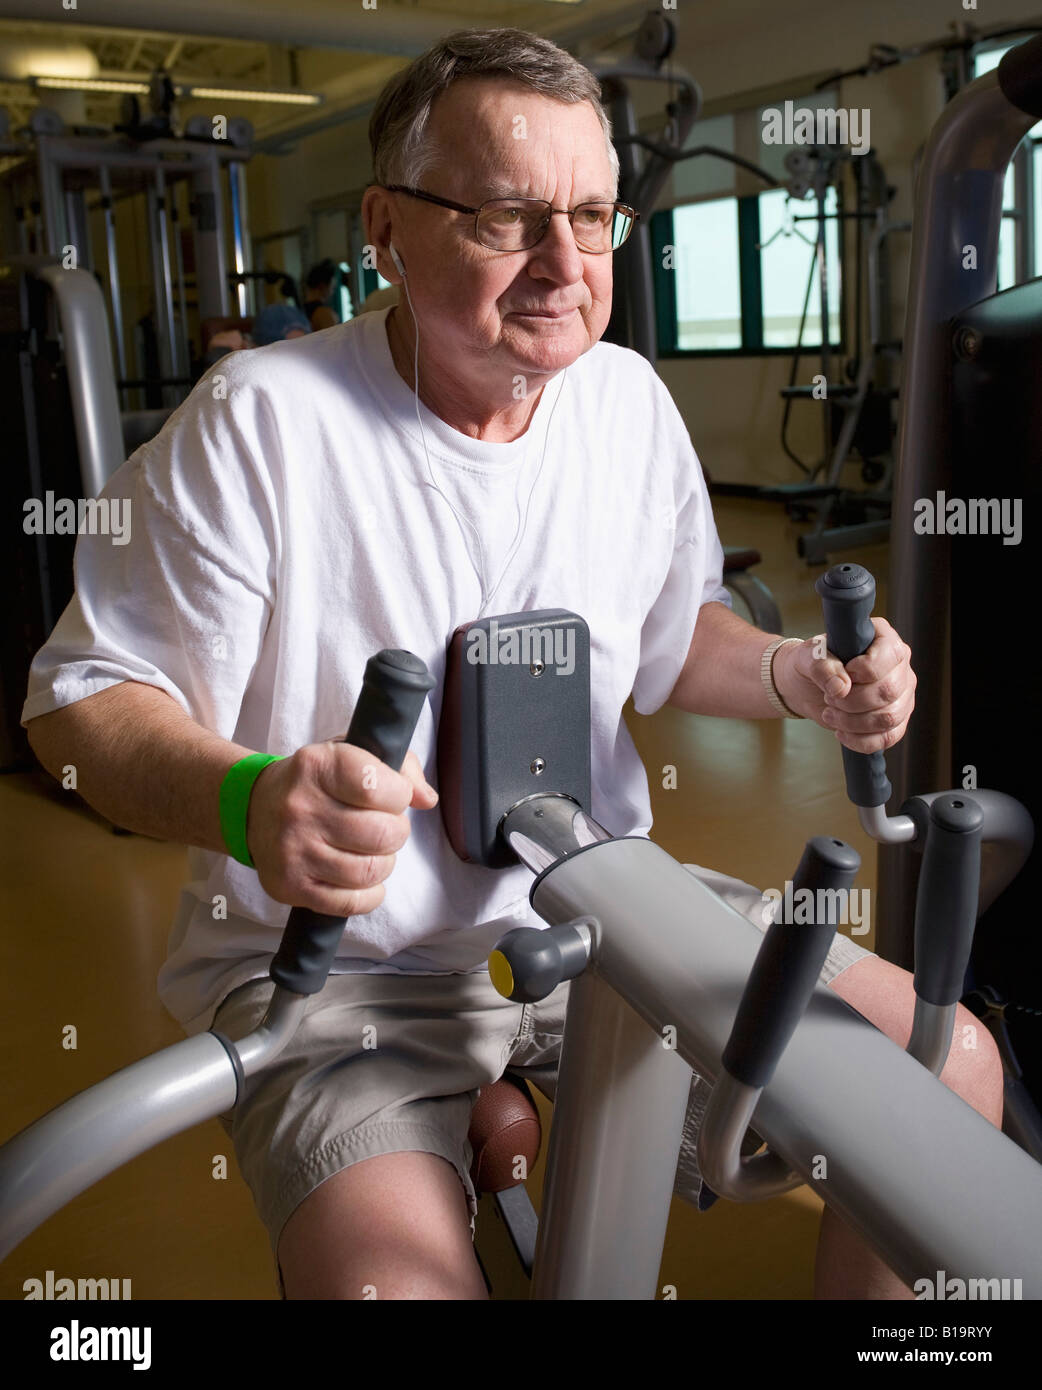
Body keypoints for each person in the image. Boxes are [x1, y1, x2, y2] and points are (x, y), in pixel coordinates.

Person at [21, 27, 1000, 1301]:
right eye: (506, 217)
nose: (563, 265)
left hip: (603, 907)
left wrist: (793, 673)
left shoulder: (628, 401)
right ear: (386, 225)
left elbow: (670, 639)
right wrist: (248, 797)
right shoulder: (261, 421)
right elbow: (81, 705)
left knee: (952, 1066)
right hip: (343, 967)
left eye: (592, 219)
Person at [302, 258, 342, 330]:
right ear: (322, 286)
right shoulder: (325, 314)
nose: (332, 293)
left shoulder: (298, 313)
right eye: (332, 288)